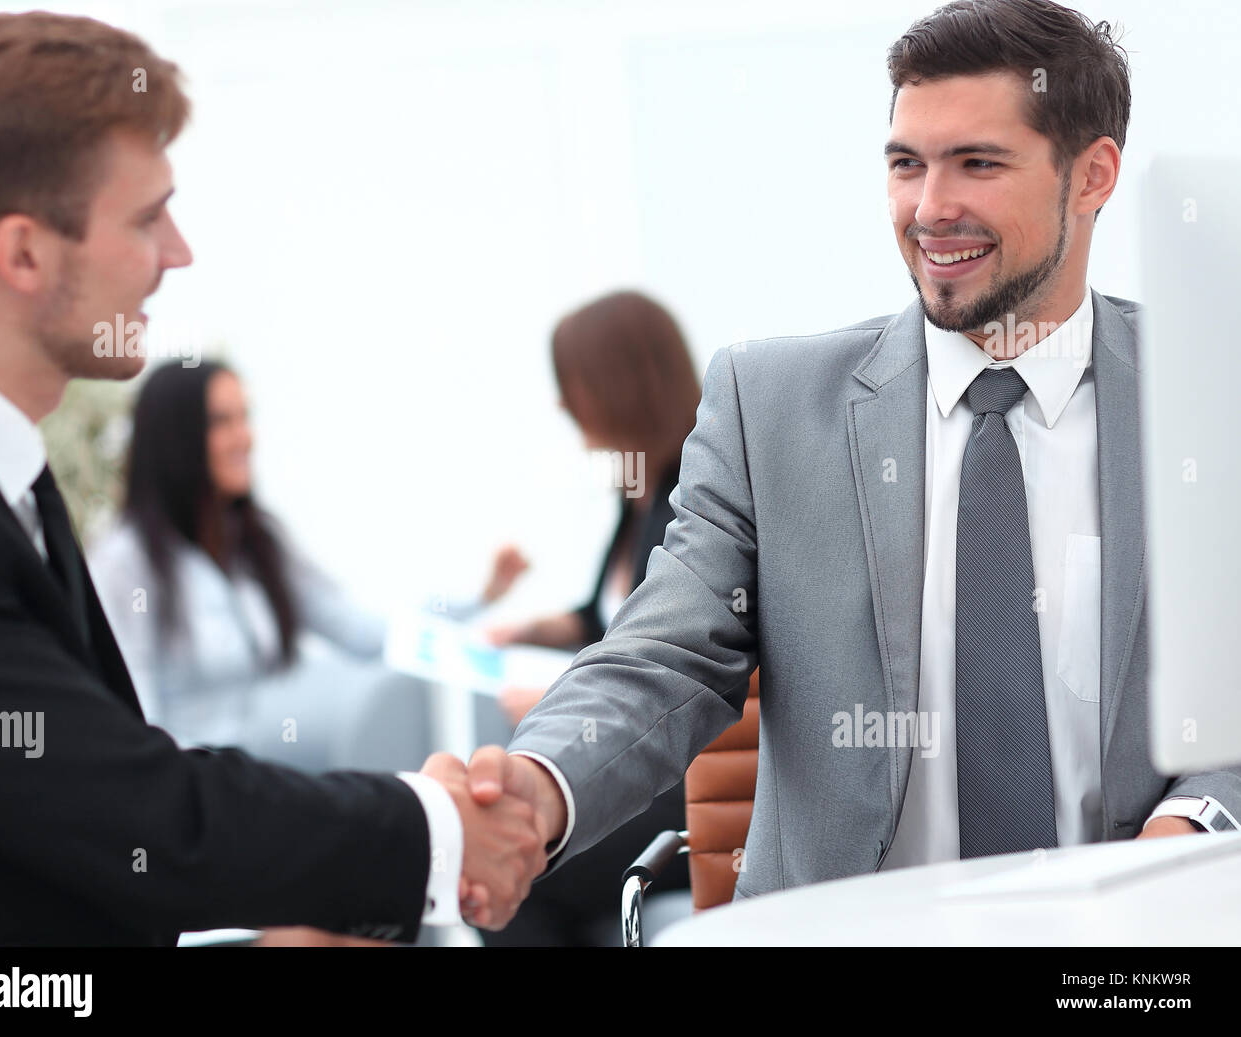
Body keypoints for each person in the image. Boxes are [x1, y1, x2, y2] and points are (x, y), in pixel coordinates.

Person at [452, 0, 1241, 914]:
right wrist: (539, 784)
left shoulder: (1207, 397)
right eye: (907, 164)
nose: (930, 209)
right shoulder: (770, 404)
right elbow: (663, 655)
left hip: (1127, 947)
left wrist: (1192, 824)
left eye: (977, 163)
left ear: (1092, 175)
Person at [0, 10, 540, 945]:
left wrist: (484, 617)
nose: (179, 253)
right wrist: (435, 825)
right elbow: (133, 807)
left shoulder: (13, 476)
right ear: (21, 252)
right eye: (147, 218)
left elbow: (362, 629)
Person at [88, 359, 523, 762]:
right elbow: (130, 714)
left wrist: (477, 601)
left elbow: (364, 632)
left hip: (261, 785)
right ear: (175, 438)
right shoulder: (124, 563)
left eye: (246, 417)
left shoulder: (259, 544)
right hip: (189, 800)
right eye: (222, 422)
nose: (246, 437)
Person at [481, 290, 700, 946]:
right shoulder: (638, 492)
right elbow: (612, 616)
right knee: (507, 854)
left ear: (613, 385)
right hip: (636, 765)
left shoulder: (694, 499)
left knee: (510, 877)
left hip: (678, 781)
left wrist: (556, 700)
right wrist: (532, 631)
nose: (561, 403)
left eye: (569, 385)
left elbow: (677, 652)